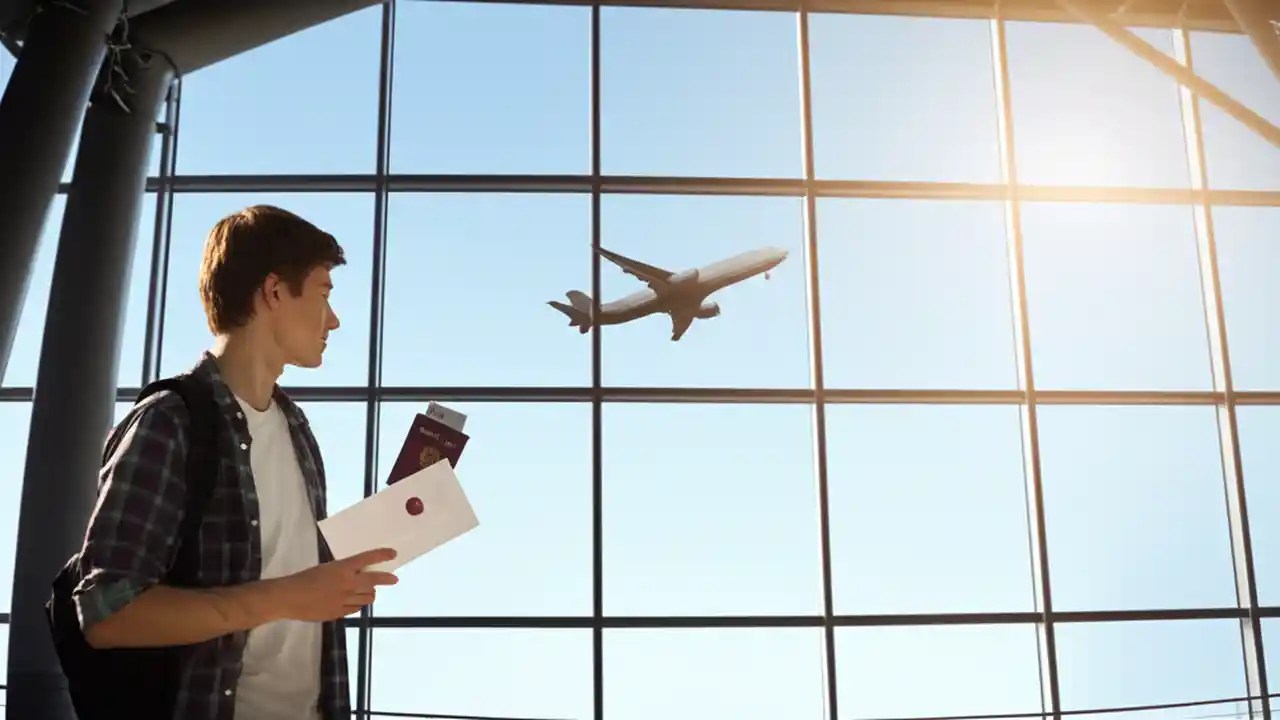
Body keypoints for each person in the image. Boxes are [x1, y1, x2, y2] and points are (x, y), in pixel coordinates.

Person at [69, 205, 397, 719]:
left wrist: (405, 519)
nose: (333, 319)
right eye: (324, 294)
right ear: (273, 292)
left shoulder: (297, 431)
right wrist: (285, 597)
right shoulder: (169, 423)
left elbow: (291, 573)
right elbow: (107, 613)